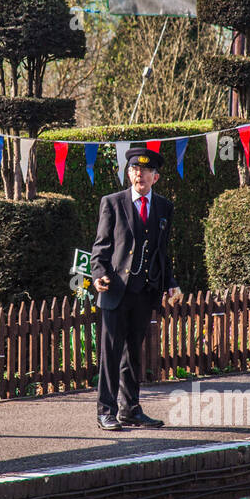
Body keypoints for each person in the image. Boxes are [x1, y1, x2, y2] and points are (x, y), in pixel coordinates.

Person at [90, 147, 182, 432]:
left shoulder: (164, 207)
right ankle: (106, 411)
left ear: (155, 177)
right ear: (128, 173)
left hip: (145, 291)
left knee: (134, 354)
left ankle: (130, 409)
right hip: (116, 290)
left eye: (144, 171)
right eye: (134, 170)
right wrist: (98, 276)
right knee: (111, 353)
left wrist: (170, 282)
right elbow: (100, 248)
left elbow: (162, 252)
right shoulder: (113, 203)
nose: (138, 174)